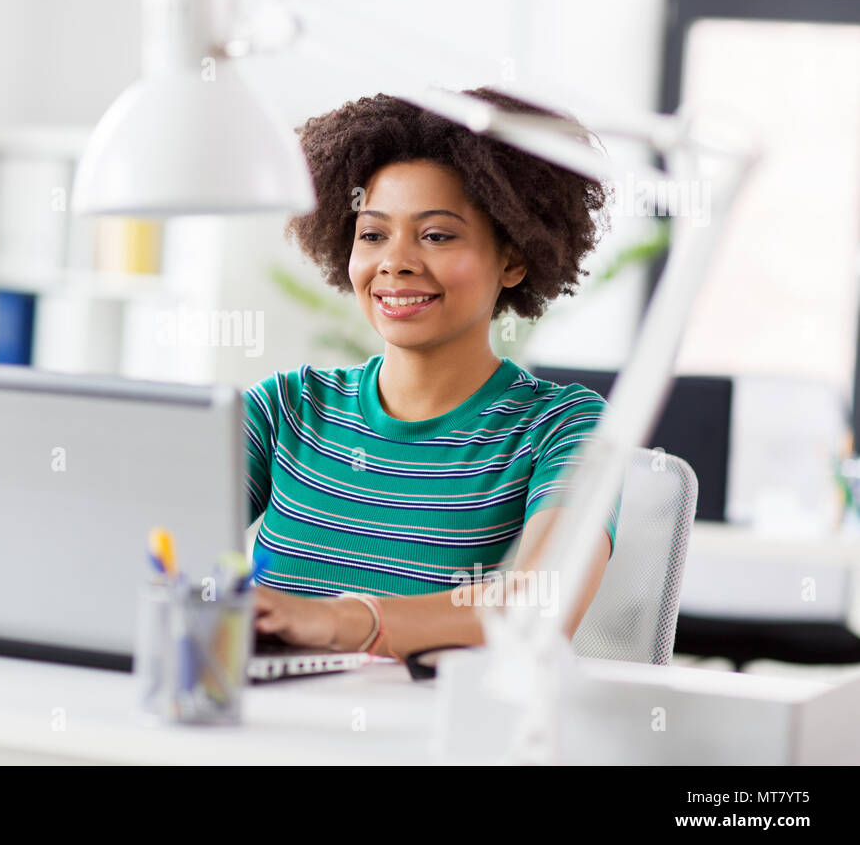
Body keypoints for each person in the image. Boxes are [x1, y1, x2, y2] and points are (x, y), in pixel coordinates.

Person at [245, 88, 621, 660]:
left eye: (437, 235)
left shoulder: (563, 427)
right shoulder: (286, 409)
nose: (395, 261)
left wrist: (337, 621)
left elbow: (543, 603)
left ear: (514, 259)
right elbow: (149, 542)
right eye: (372, 234)